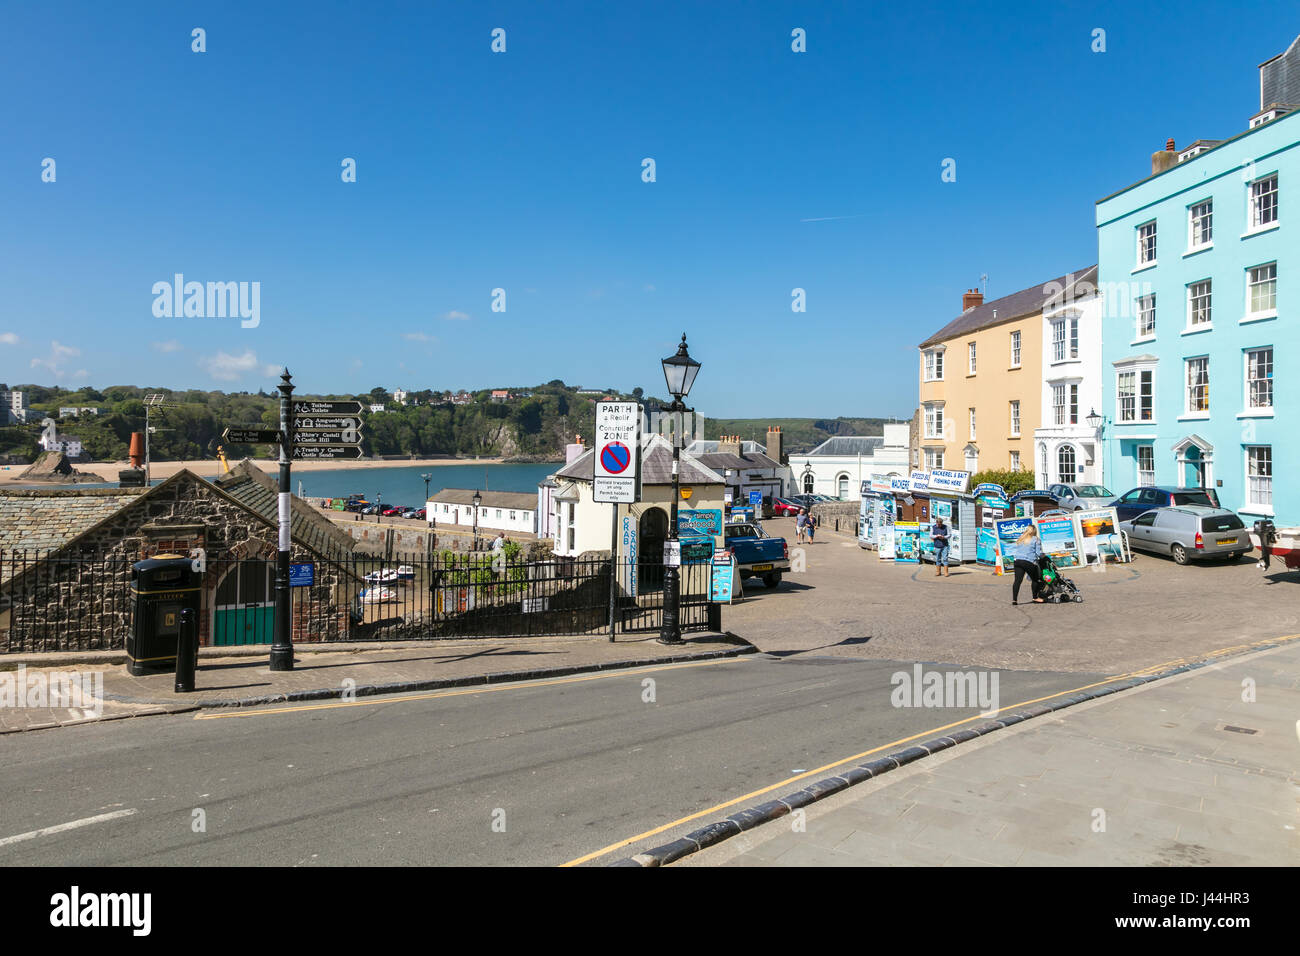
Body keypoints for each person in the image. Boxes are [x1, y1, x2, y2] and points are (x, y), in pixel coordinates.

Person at [1010, 525, 1044, 605]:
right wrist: (1044, 556)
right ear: (1035, 531)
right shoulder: (1036, 539)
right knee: (1035, 579)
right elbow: (1038, 553)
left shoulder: (1022, 538)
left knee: (1017, 581)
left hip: (1017, 561)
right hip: (1028, 561)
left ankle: (1014, 600)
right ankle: (1035, 597)